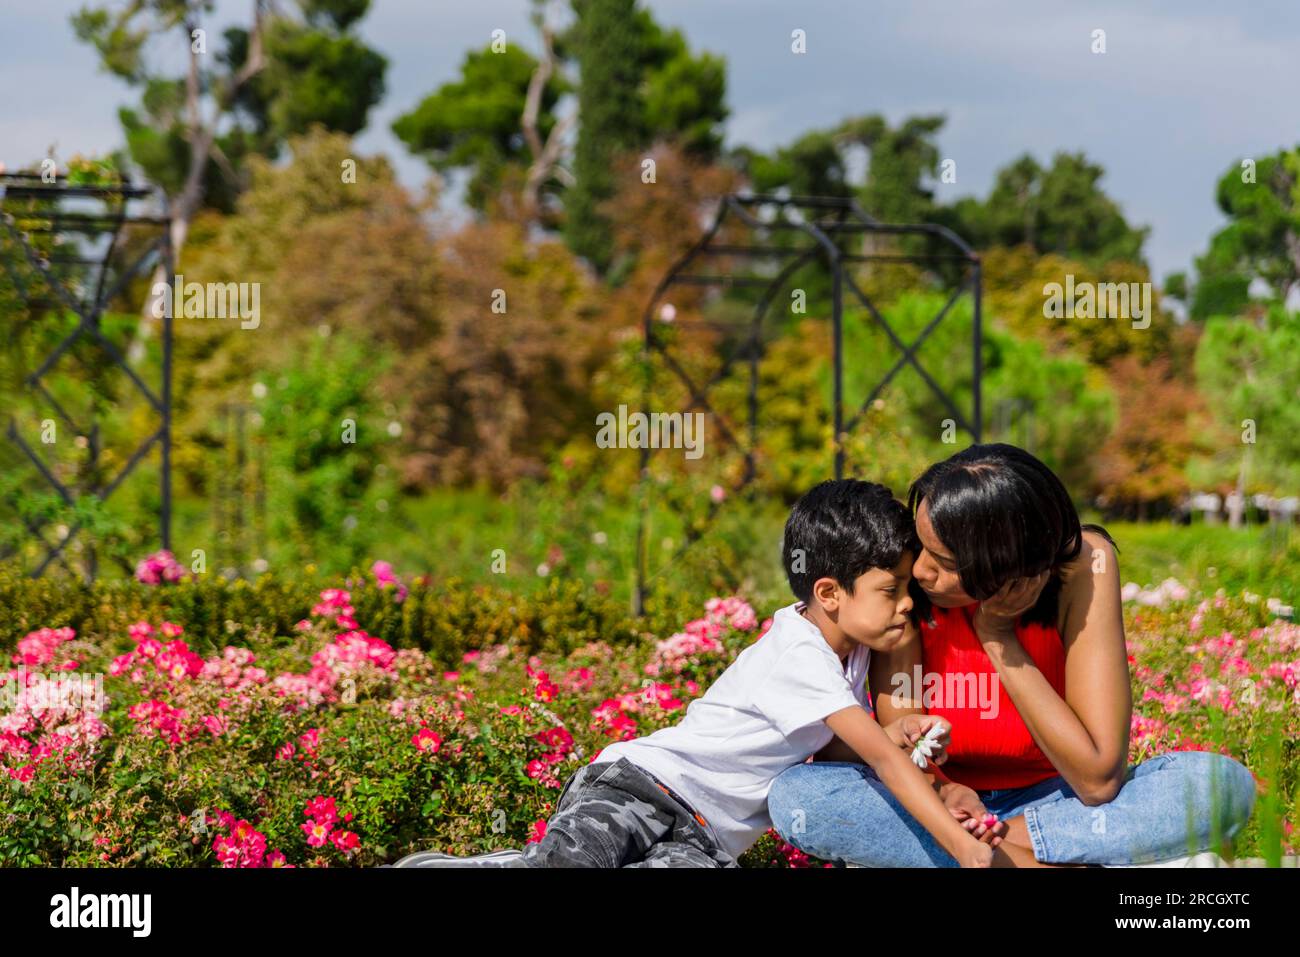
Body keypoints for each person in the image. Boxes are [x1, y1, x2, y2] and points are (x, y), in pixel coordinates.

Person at [393, 479, 997, 868]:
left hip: (708, 838)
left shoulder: (852, 648)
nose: (908, 605)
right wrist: (963, 849)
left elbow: (840, 745)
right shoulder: (802, 652)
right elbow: (881, 763)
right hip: (643, 786)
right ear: (829, 592)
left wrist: (893, 734)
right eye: (890, 591)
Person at [768, 444, 1258, 868]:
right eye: (923, 547)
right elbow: (908, 752)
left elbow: (1097, 779)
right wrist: (947, 799)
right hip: (943, 804)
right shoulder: (906, 586)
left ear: (1010, 566)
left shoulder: (1085, 566)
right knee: (799, 796)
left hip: (1060, 803)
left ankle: (994, 853)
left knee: (1220, 786)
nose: (918, 570)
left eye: (945, 563)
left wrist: (998, 634)